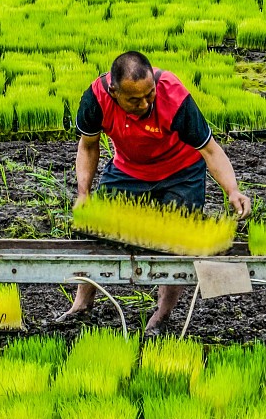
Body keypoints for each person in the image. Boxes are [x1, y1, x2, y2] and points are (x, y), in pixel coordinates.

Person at [57, 51, 252, 335]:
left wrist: (232, 190)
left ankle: (162, 315)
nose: (146, 103)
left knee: (176, 242)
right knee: (97, 230)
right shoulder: (96, 99)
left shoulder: (173, 95)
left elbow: (209, 149)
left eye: (150, 94)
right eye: (135, 100)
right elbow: (88, 146)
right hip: (128, 170)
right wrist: (84, 193)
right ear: (114, 91)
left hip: (181, 172)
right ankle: (82, 304)